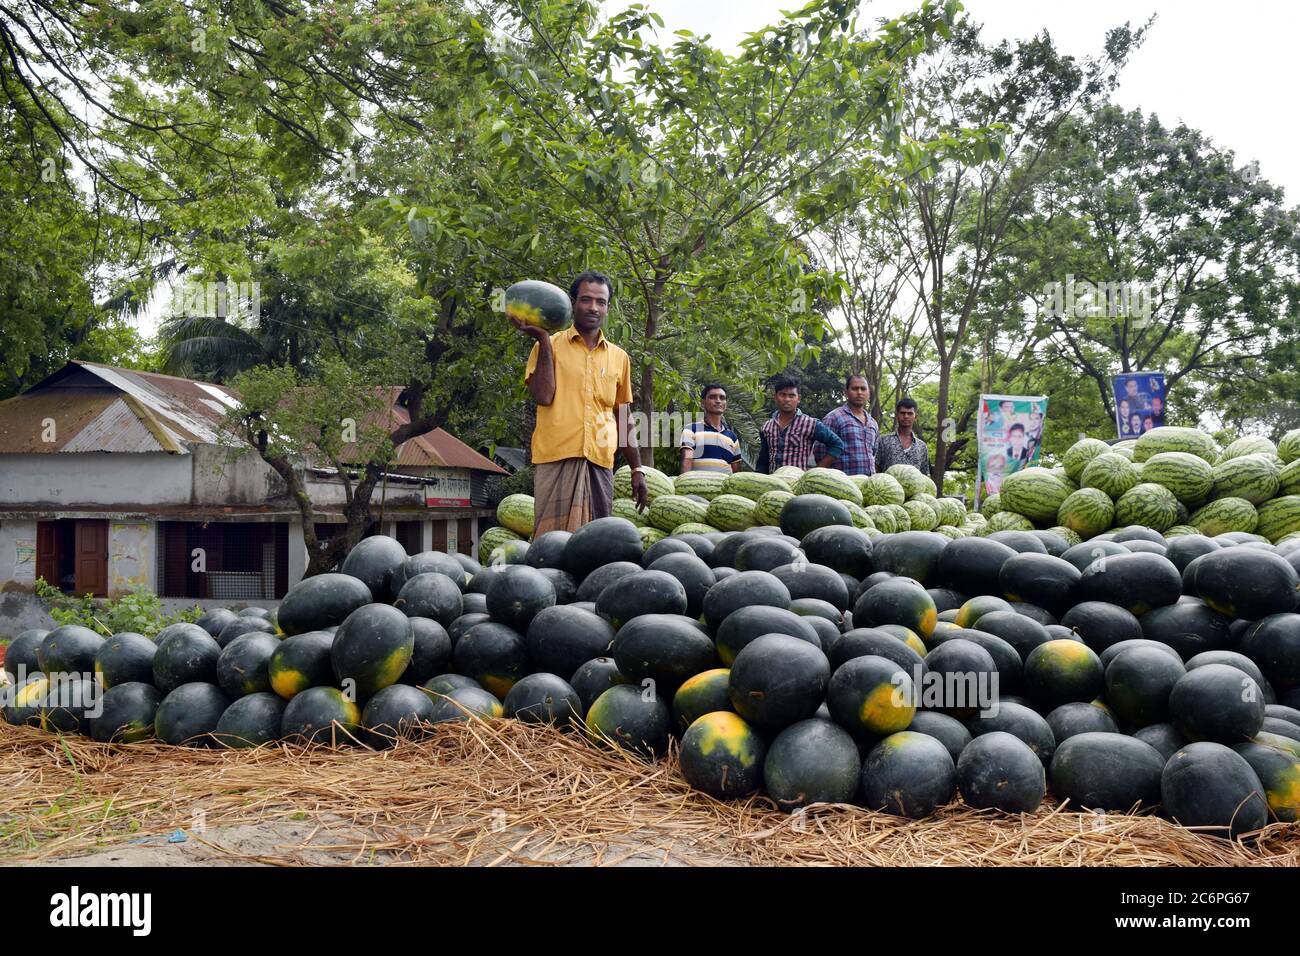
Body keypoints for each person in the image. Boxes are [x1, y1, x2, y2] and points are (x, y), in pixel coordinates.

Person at [515, 270, 648, 535]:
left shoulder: (619, 358)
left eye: (601, 302)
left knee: (595, 546)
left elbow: (624, 415)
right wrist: (542, 340)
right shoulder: (549, 344)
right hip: (556, 458)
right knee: (551, 544)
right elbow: (543, 396)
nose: (593, 307)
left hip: (599, 462)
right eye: (586, 300)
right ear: (573, 303)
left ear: (608, 308)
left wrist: (637, 468)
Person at [755, 375, 844, 474]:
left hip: (797, 484)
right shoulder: (767, 427)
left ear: (798, 398)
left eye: (791, 395)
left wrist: (816, 472)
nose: (787, 399)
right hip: (774, 484)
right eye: (782, 395)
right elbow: (763, 460)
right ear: (775, 397)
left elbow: (837, 444)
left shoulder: (810, 424)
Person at [815, 374, 879, 476]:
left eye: (863, 389)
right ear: (846, 392)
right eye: (855, 389)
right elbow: (820, 453)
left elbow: (874, 453)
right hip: (843, 484)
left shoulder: (873, 423)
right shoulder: (833, 418)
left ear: (868, 393)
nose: (859, 392)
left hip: (869, 484)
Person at [680, 383, 742, 474]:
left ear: (726, 404)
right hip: (698, 486)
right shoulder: (691, 430)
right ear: (702, 403)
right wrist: (684, 483)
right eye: (713, 397)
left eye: (722, 398)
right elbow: (686, 461)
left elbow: (737, 472)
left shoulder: (732, 437)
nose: (718, 401)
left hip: (724, 487)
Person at [875, 397, 931, 476]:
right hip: (888, 487)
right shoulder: (883, 441)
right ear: (897, 415)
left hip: (914, 488)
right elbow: (875, 469)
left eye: (910, 413)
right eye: (902, 413)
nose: (906, 416)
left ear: (916, 417)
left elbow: (924, 475)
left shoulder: (922, 447)